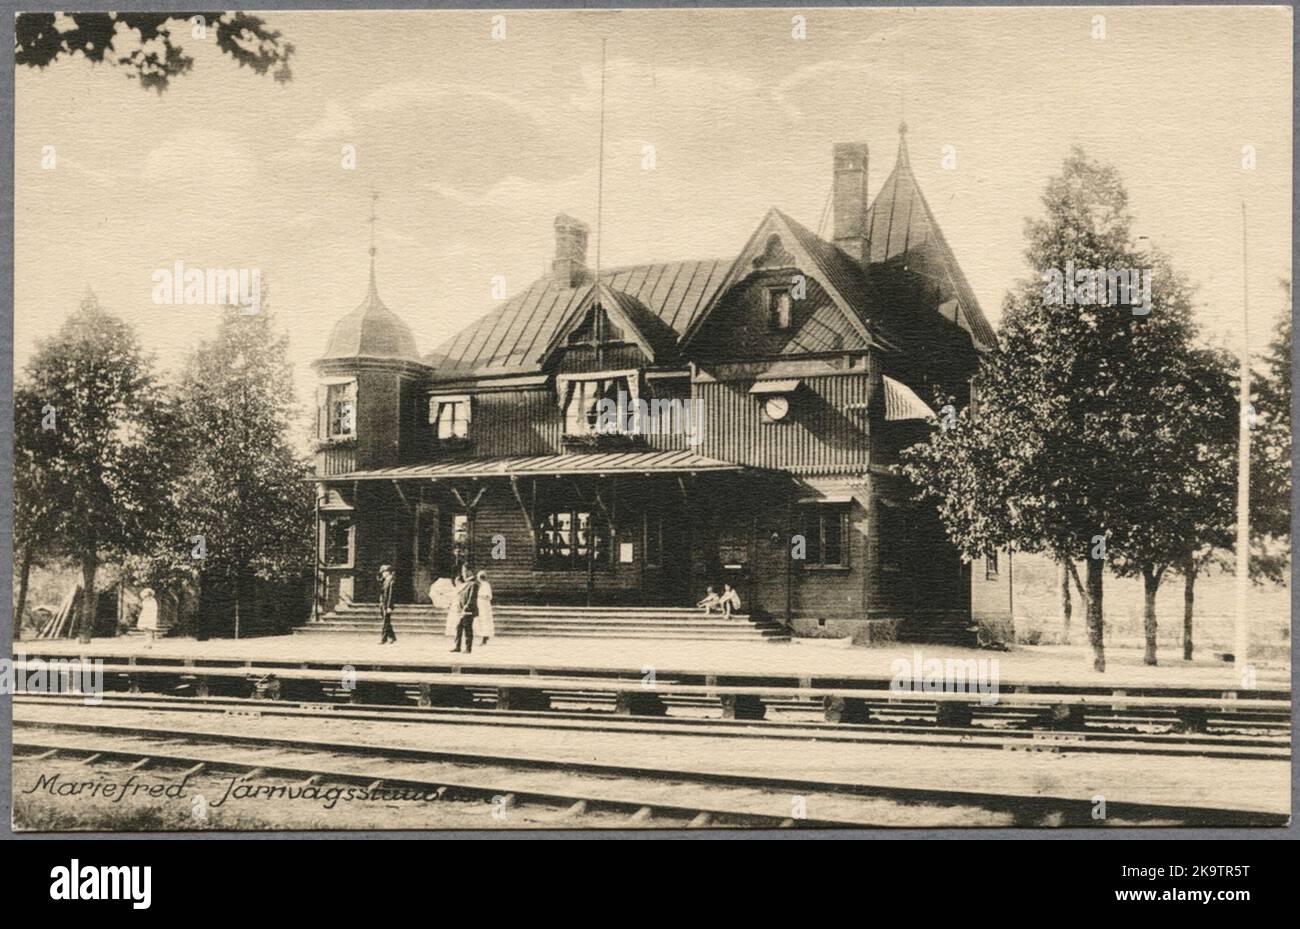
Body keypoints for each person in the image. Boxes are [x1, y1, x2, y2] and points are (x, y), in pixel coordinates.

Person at [451, 565, 479, 654]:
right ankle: (457, 646)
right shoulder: (464, 584)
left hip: (468, 610)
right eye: (463, 572)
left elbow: (472, 597)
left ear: (469, 572)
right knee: (458, 627)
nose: (463, 574)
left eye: (464, 572)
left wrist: (467, 606)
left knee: (467, 629)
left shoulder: (473, 584)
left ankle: (468, 648)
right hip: (461, 610)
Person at [378, 564, 397, 645]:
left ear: (388, 572)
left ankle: (383, 639)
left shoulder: (391, 582)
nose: (382, 574)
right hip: (383, 603)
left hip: (387, 604)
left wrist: (389, 606)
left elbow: (391, 595)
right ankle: (392, 637)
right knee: (386, 621)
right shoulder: (385, 581)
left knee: (385, 622)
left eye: (384, 572)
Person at [476, 570, 495, 645]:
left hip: (484, 605)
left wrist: (478, 595)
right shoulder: (482, 585)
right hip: (481, 605)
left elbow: (488, 596)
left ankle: (484, 637)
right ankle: (485, 636)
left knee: (485, 621)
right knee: (482, 621)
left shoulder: (485, 585)